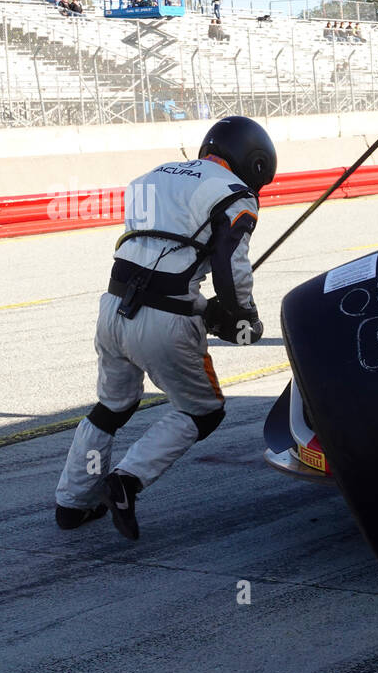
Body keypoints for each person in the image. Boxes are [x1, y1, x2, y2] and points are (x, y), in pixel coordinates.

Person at [54, 116, 277, 539]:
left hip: (113, 309)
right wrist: (242, 315)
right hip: (165, 320)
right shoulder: (235, 195)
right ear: (257, 163)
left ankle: (71, 504)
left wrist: (209, 307)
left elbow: (162, 251)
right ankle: (126, 480)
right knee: (203, 412)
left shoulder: (150, 177)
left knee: (112, 408)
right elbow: (232, 267)